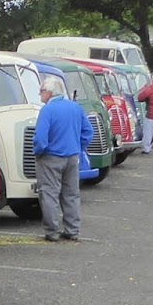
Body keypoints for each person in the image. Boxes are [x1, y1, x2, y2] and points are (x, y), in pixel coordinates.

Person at [33, 75, 94, 241]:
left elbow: (40, 138)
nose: (40, 95)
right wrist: (78, 147)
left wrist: (39, 152)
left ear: (50, 93)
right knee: (71, 194)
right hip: (72, 157)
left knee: (49, 194)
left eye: (41, 91)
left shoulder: (47, 110)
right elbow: (88, 132)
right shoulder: (75, 107)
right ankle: (73, 230)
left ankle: (52, 231)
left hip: (51, 157)